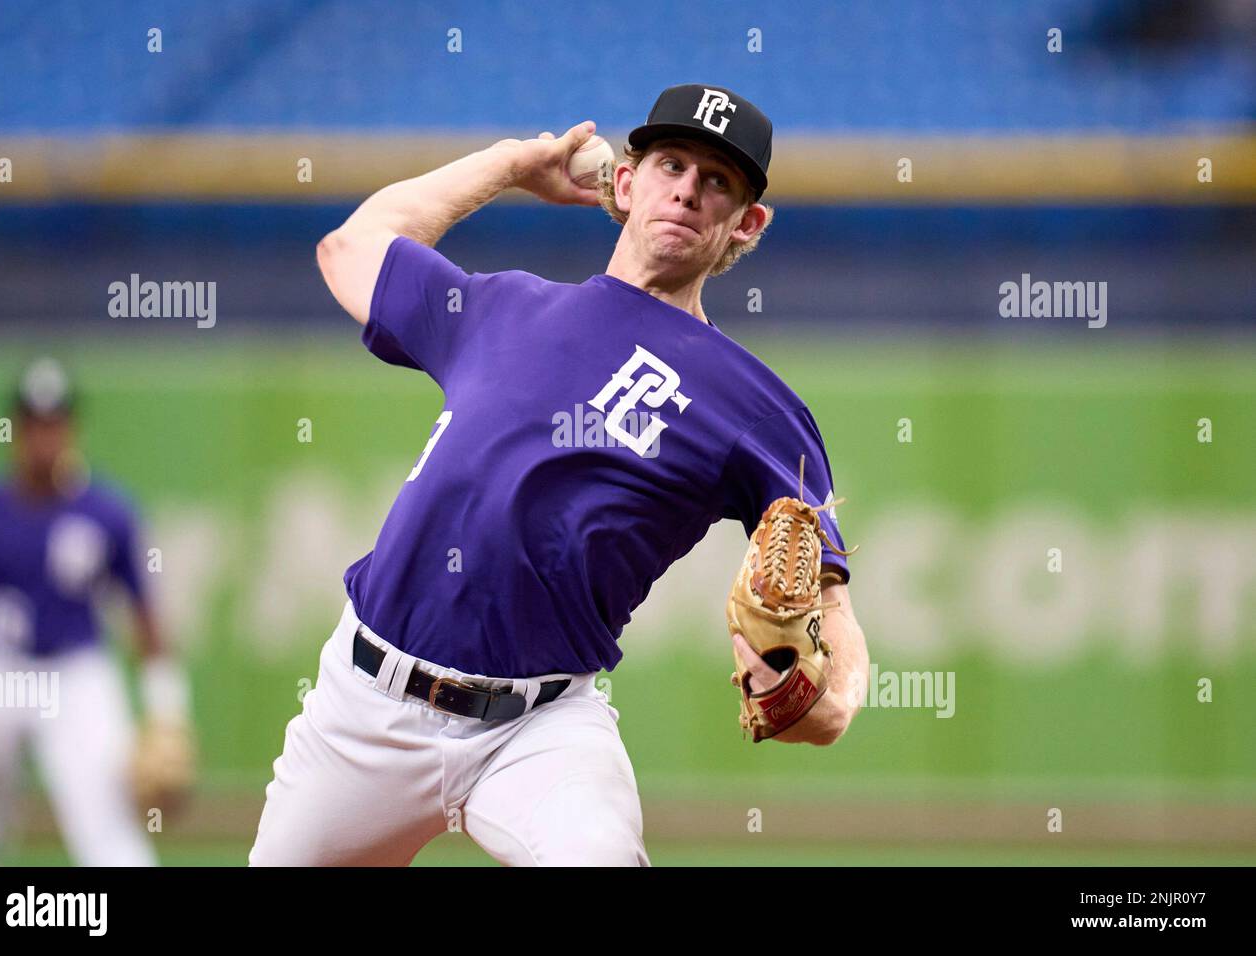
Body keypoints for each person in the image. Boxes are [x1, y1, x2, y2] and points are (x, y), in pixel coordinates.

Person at [250, 84, 869, 867]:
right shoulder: (502, 306)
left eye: (719, 181)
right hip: (362, 706)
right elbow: (352, 247)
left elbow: (834, 609)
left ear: (747, 223)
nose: (687, 188)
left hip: (539, 728)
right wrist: (510, 164)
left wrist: (829, 701)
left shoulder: (756, 407)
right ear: (624, 182)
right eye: (671, 163)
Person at [0, 358, 193, 866]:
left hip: (76, 674)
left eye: (55, 421)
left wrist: (167, 712)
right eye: (34, 422)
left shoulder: (106, 513)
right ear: (15, 430)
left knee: (109, 831)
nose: (46, 435)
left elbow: (145, 617)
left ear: (70, 427)